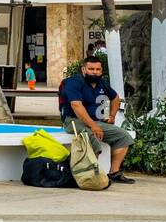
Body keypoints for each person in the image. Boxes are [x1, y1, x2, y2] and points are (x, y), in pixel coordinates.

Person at [58, 55, 135, 184]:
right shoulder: (73, 82)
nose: (95, 72)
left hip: (96, 121)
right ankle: (90, 175)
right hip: (73, 120)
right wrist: (93, 126)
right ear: (83, 69)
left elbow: (115, 98)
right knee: (92, 137)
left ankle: (114, 173)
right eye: (91, 69)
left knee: (123, 136)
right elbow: (76, 105)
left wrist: (112, 116)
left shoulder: (102, 83)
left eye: (98, 69)